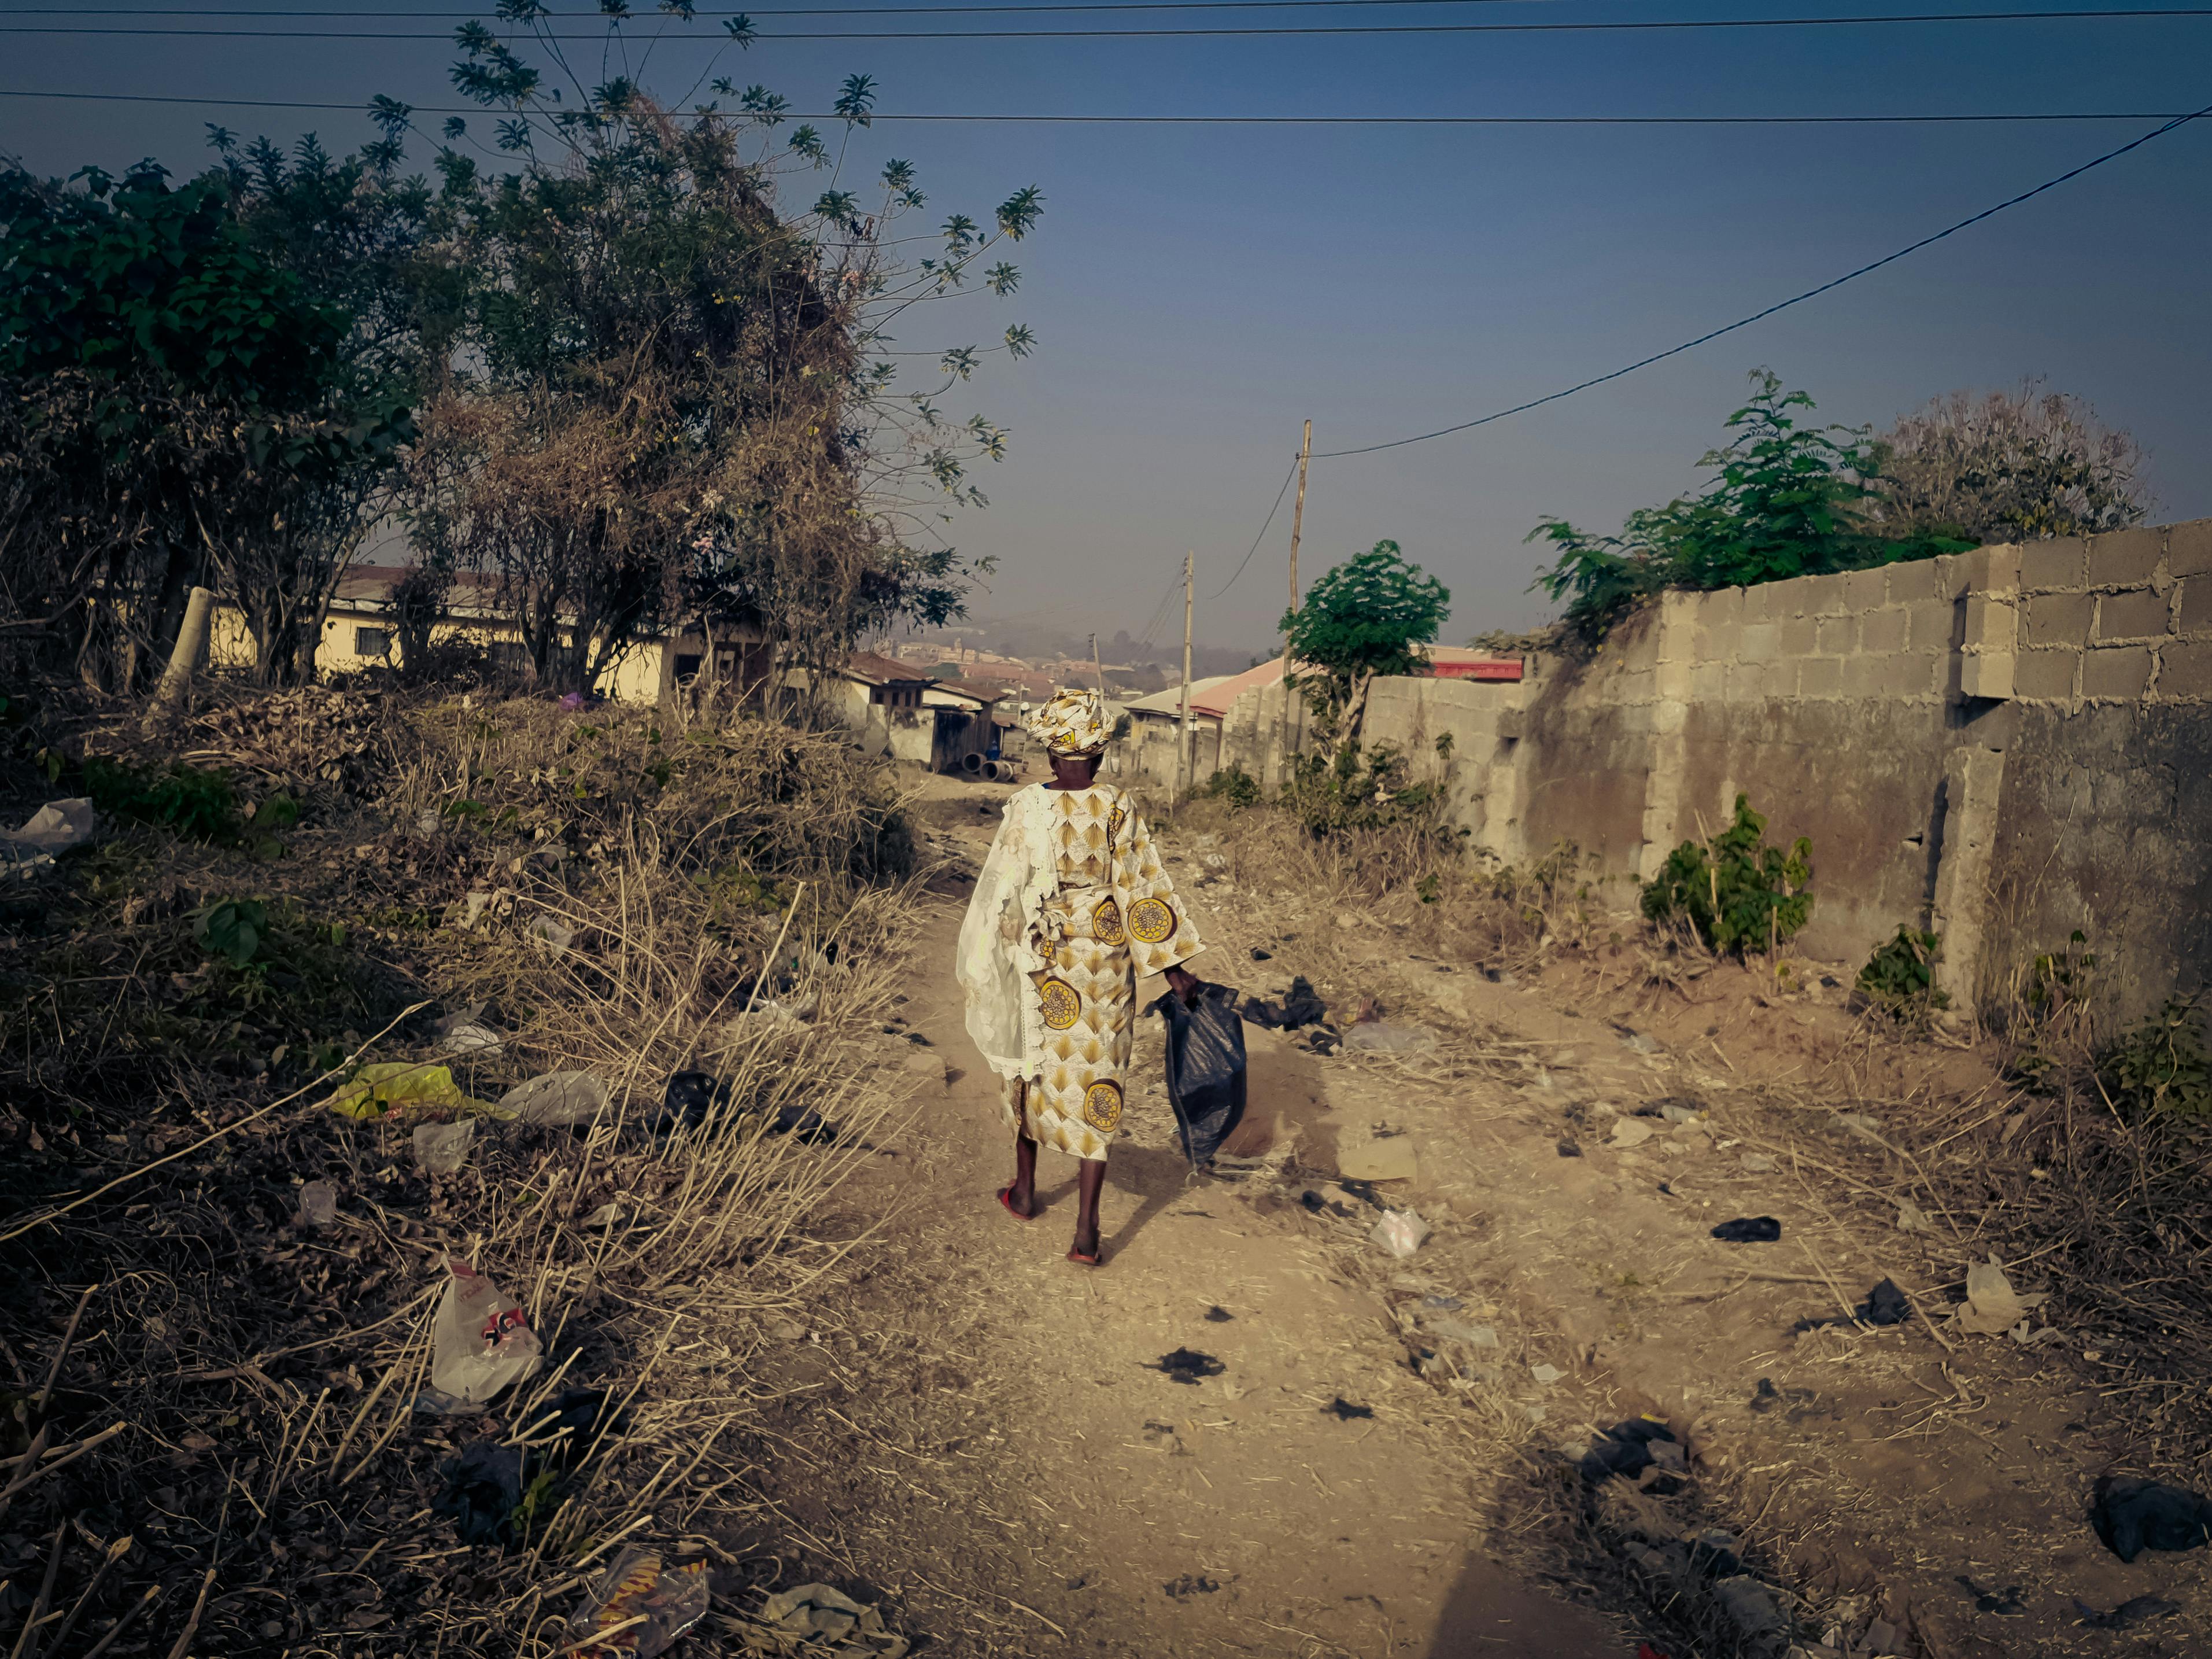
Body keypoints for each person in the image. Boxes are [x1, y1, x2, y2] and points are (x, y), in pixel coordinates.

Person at [956, 687, 1204, 1265]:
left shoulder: (1025, 806)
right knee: (1099, 1080)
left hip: (1039, 961)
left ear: (1050, 755)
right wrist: (1174, 970)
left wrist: (989, 958)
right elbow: (1143, 886)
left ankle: (1023, 1192)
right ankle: (1088, 1232)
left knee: (1031, 1067)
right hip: (1104, 967)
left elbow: (1002, 892)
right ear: (1099, 754)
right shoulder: (1117, 806)